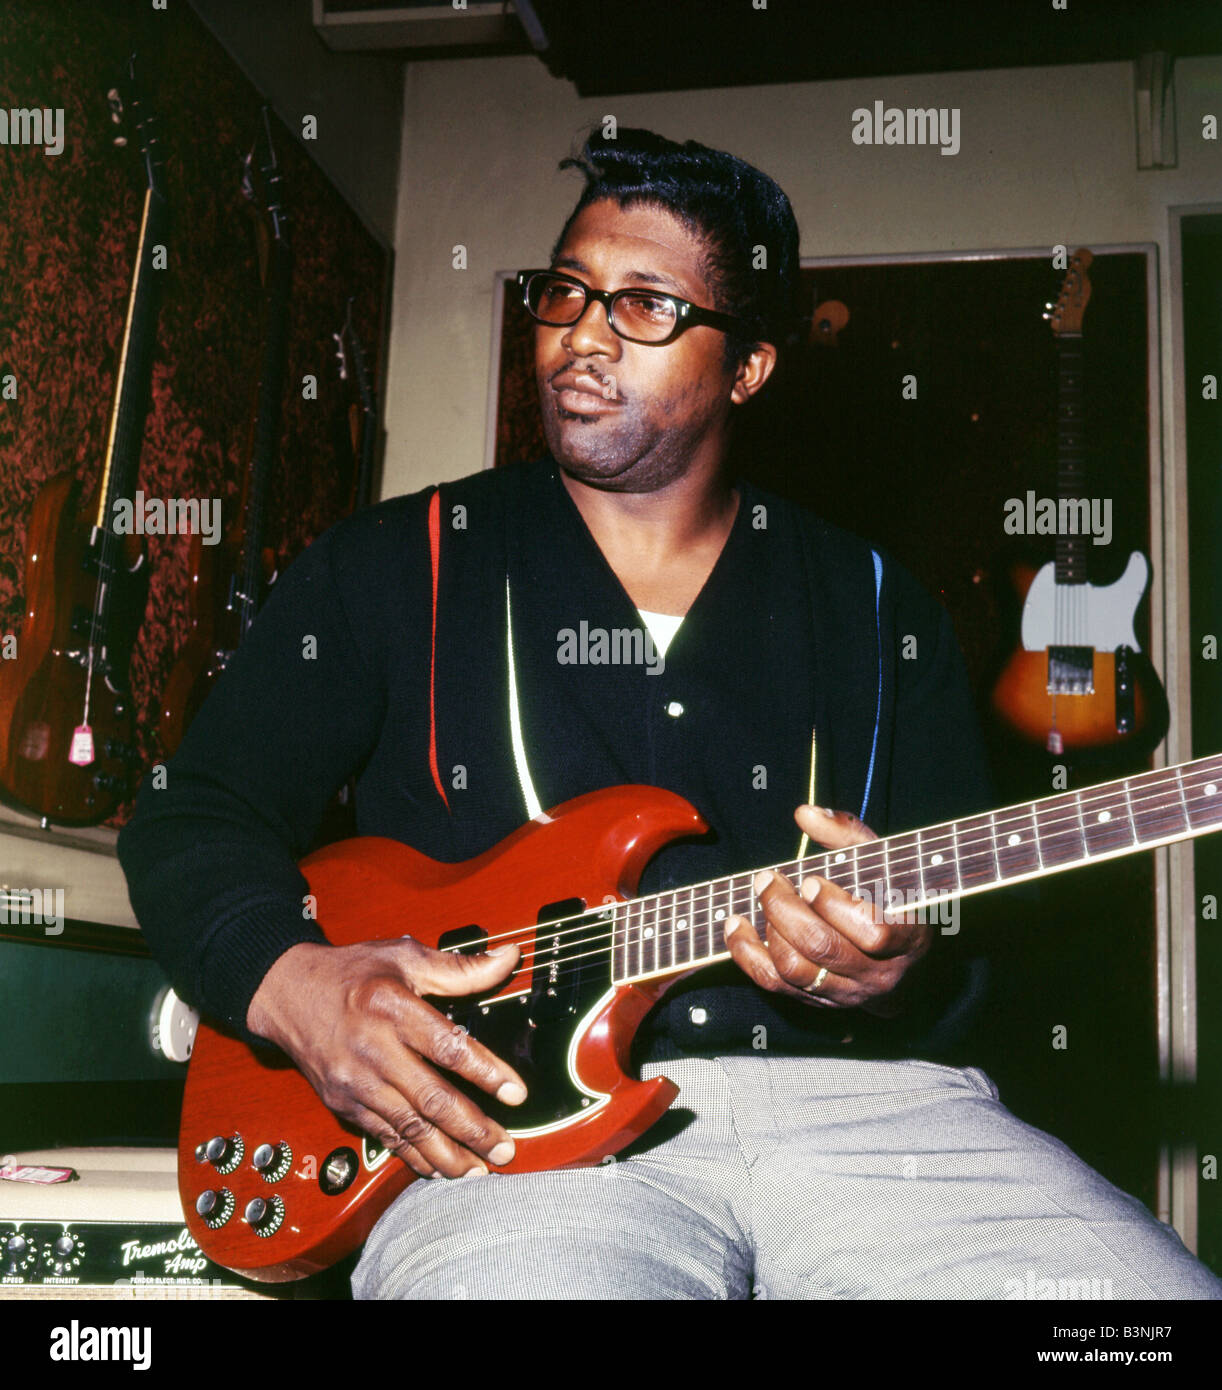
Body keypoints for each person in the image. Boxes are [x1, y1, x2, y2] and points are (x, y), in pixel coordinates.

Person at [118, 126, 1222, 1300]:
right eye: (565, 293)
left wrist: (894, 967)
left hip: (870, 1111)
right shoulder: (394, 562)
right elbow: (195, 817)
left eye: (645, 305)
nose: (582, 335)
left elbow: (962, 948)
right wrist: (294, 982)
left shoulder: (883, 604)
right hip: (503, 1141)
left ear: (746, 368)